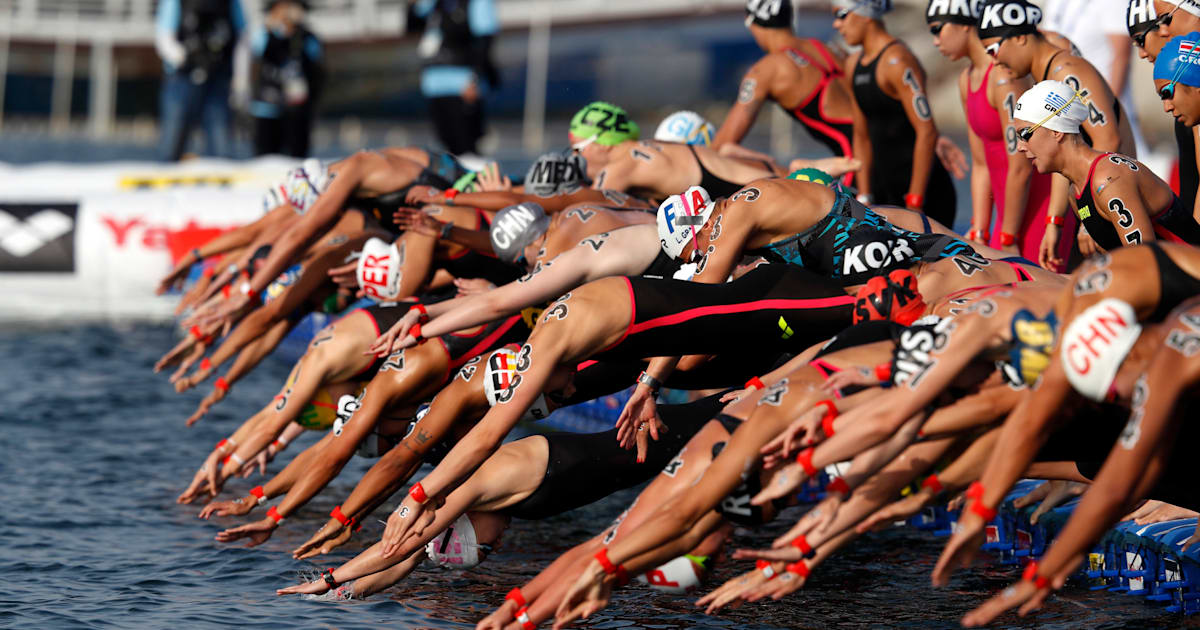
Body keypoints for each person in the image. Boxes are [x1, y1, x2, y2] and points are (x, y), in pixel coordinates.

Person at [934, 243, 1200, 591]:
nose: (1119, 400)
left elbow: (1119, 482)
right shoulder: (1083, 331)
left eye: (1109, 393)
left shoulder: (1179, 348)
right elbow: (1031, 427)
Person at [977, 0, 1138, 269]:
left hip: (1112, 199)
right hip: (1092, 200)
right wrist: (1055, 222)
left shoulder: (1066, 70)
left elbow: (1108, 140)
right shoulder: (1048, 73)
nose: (994, 61)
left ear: (1019, 37)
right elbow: (1065, 154)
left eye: (993, 49)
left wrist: (1093, 221)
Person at [926, 0, 1068, 263]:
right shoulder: (965, 79)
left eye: (937, 29)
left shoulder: (1005, 77)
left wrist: (1008, 237)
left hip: (1036, 203)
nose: (935, 41)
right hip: (1008, 213)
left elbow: (1020, 165)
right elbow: (980, 164)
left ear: (966, 26)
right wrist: (980, 228)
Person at [1014, 79, 1200, 250]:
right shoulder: (1076, 191)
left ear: (1056, 131)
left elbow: (1147, 262)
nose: (1020, 147)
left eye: (1025, 134)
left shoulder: (1108, 180)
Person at [835, 0, 958, 225]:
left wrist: (915, 200)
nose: (836, 24)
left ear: (865, 15)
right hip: (884, 191)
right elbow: (861, 135)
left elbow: (927, 131)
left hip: (924, 191)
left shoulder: (898, 62)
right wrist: (865, 195)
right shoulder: (853, 65)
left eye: (842, 15)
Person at [713, 0, 857, 184]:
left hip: (856, 164)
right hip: (889, 145)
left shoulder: (765, 71)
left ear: (753, 24)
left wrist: (768, 162)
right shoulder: (828, 48)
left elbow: (722, 146)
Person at [1043, 0, 1149, 157]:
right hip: (1067, 114)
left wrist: (1110, 113)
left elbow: (1121, 57)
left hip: (1103, 109)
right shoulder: (1056, 3)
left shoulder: (1112, 3)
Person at [155, 0, 245, 160]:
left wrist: (240, 80)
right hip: (182, 77)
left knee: (220, 143)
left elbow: (242, 38)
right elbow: (163, 36)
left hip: (218, 78)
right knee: (172, 141)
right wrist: (186, 57)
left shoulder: (231, 3)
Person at [410, 0, 500, 157]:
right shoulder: (433, 4)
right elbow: (412, 25)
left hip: (462, 84)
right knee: (446, 145)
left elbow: (485, 42)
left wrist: (475, 80)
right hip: (435, 85)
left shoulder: (476, 3)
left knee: (467, 144)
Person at [249, 0, 323, 157]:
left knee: (297, 156)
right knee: (266, 157)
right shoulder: (263, 35)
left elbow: (316, 63)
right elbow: (258, 52)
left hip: (297, 110)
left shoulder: (307, 38)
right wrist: (274, 26)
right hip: (267, 107)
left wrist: (296, 31)